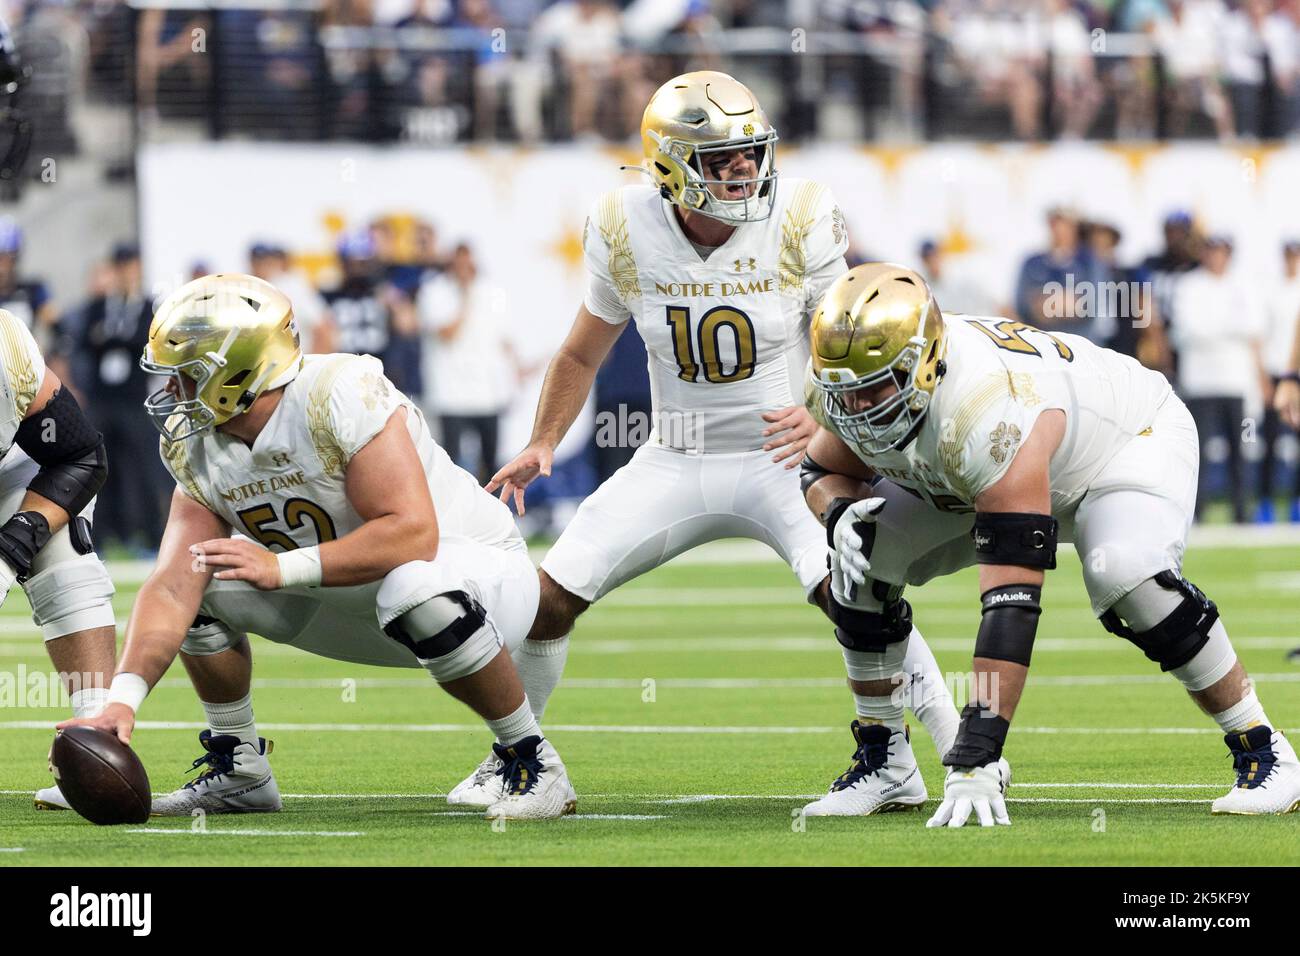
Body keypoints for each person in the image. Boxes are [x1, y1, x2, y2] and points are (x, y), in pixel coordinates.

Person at [451, 72, 961, 816]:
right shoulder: (624, 226)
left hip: (783, 456)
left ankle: (953, 750)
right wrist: (543, 441)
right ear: (671, 166)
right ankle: (518, 760)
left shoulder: (800, 215)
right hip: (675, 455)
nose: (744, 171)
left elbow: (851, 339)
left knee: (856, 592)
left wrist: (824, 422)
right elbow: (579, 354)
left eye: (750, 155)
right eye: (723, 161)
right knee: (545, 601)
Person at [59, 273, 575, 820]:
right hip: (349, 600)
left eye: (187, 375)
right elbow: (171, 584)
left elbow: (411, 533)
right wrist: (122, 700)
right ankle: (240, 767)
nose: (172, 392)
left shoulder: (338, 391)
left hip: (477, 584)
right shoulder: (196, 445)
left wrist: (282, 567)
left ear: (236, 372)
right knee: (202, 579)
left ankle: (532, 760)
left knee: (414, 585)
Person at [802, 262, 1300, 827]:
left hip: (1127, 437)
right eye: (849, 393)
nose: (860, 410)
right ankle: (885, 760)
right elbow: (819, 467)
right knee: (857, 556)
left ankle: (1264, 748)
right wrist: (837, 510)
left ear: (925, 362)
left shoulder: (984, 410)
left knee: (1125, 575)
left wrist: (975, 754)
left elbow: (1011, 602)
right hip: (998, 464)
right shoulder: (847, 384)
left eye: (877, 389)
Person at [0, 308, 117, 812]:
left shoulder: (7, 350)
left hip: (11, 472)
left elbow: (81, 455)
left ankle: (94, 736)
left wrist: (13, 544)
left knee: (61, 548)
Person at [70, 243, 169, 551]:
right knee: (96, 468)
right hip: (102, 400)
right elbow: (85, 341)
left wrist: (112, 339)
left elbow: (147, 343)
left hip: (134, 399)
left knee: (145, 468)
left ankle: (150, 536)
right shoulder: (99, 307)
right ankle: (99, 537)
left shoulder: (149, 306)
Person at [1169, 235, 1266, 523]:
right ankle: (1196, 512)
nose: (1216, 257)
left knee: (1241, 449)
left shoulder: (1243, 284)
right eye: (1211, 251)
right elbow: (1186, 329)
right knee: (1197, 452)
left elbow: (1252, 327)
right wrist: (1227, 328)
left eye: (1221, 251)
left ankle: (1241, 511)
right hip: (1199, 383)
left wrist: (1214, 329)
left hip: (1236, 382)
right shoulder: (1188, 285)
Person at [416, 242, 520, 483]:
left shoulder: (491, 292)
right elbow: (446, 334)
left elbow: (504, 339)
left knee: (491, 462)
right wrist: (465, 298)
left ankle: (491, 513)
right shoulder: (435, 292)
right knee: (450, 463)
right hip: (451, 394)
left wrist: (515, 372)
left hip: (487, 394)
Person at [1259, 239, 1300, 523]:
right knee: (1269, 442)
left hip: (1295, 374)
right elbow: (1261, 336)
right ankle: (1266, 503)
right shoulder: (1270, 290)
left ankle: (1297, 502)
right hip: (1278, 373)